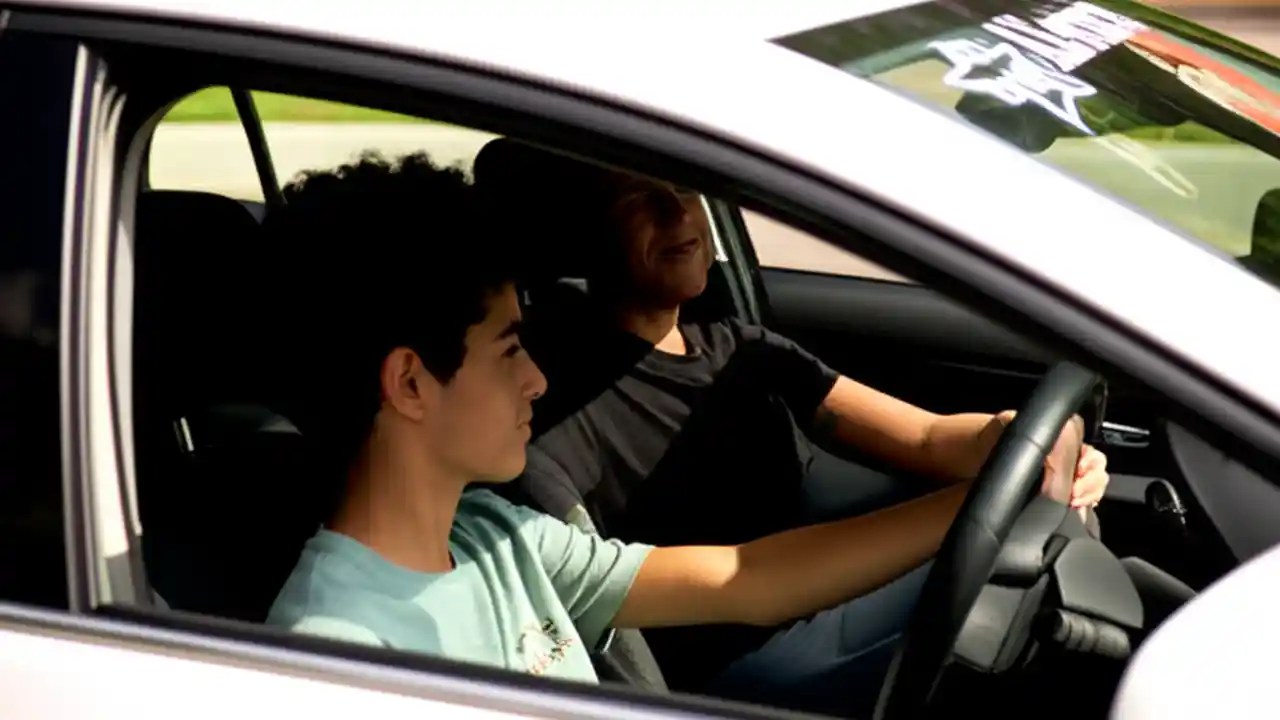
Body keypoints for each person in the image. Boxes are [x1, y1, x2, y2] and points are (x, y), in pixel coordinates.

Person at [261, 151, 1091, 710]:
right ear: (410, 383)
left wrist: (993, 492)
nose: (538, 379)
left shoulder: (494, 539)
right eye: (511, 348)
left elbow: (746, 576)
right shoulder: (338, 655)